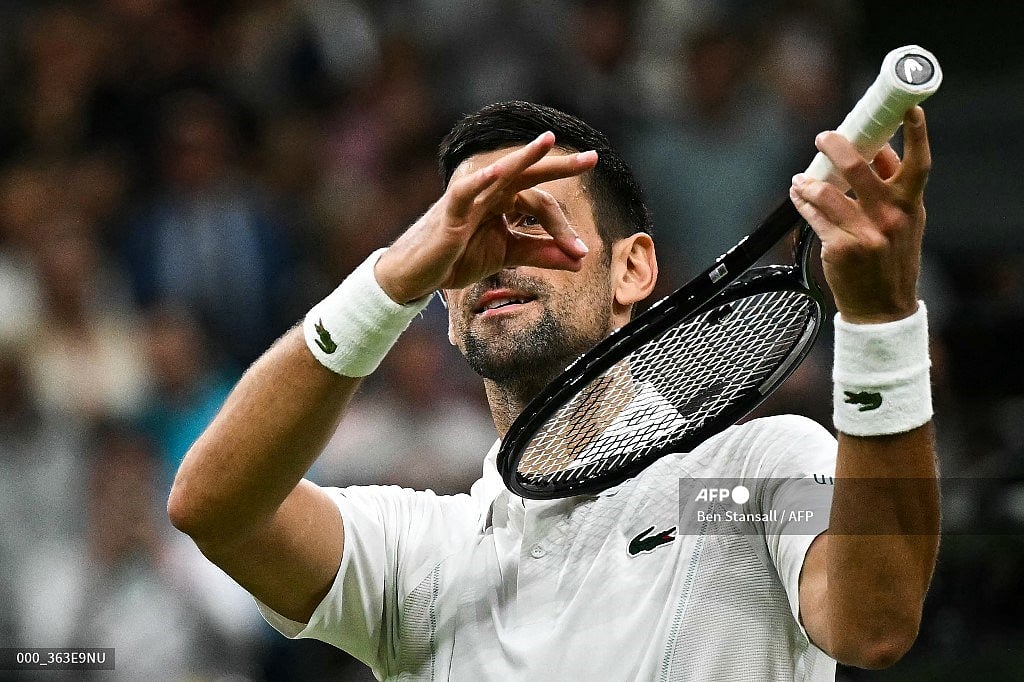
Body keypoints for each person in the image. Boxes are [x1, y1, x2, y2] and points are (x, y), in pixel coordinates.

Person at [168, 101, 940, 680]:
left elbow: (873, 620)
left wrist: (881, 325)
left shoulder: (737, 488)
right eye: (469, 238)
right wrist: (388, 279)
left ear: (632, 268)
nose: (496, 259)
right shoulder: (420, 556)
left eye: (533, 223)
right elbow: (214, 507)